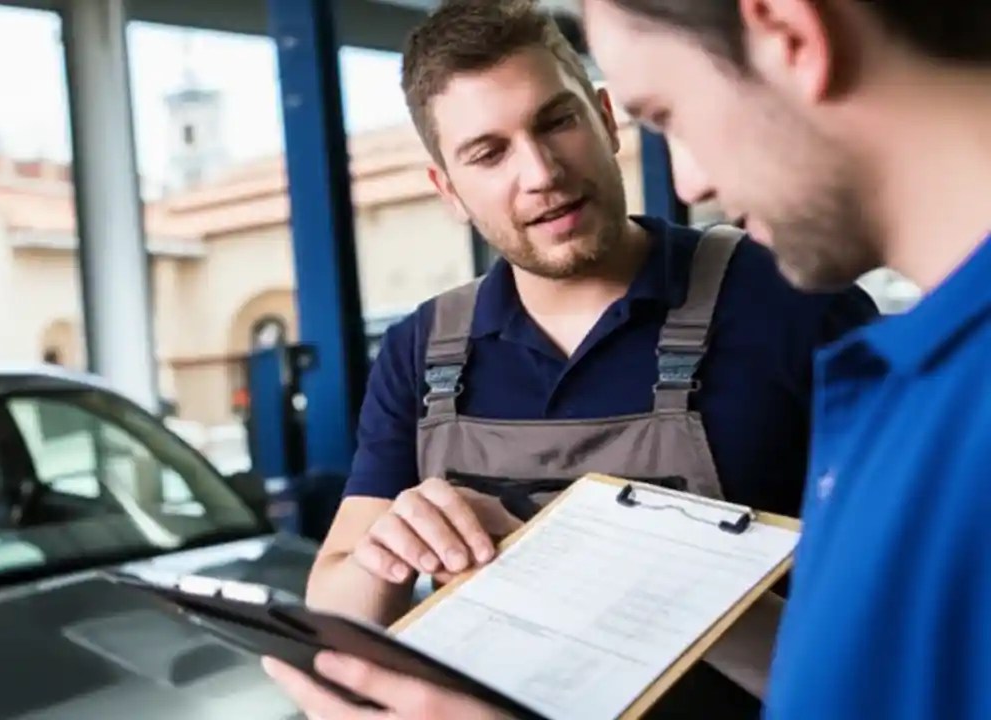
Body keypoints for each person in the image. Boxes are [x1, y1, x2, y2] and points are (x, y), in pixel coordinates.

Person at [264, 0, 991, 717]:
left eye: (557, 121)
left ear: (606, 119)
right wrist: (385, 553)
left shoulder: (791, 293)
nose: (542, 172)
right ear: (447, 190)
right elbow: (338, 606)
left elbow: (880, 659)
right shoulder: (422, 350)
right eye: (489, 153)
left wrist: (602, 571)